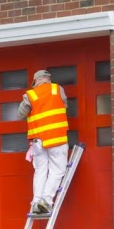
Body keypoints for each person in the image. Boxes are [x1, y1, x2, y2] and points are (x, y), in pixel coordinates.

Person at [17, 69, 69, 215]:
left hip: (38, 141)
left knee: (40, 171)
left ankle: (35, 202)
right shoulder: (57, 89)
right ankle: (45, 201)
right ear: (48, 79)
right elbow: (64, 106)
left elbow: (21, 114)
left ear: (35, 81)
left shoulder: (30, 95)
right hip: (56, 138)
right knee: (57, 170)